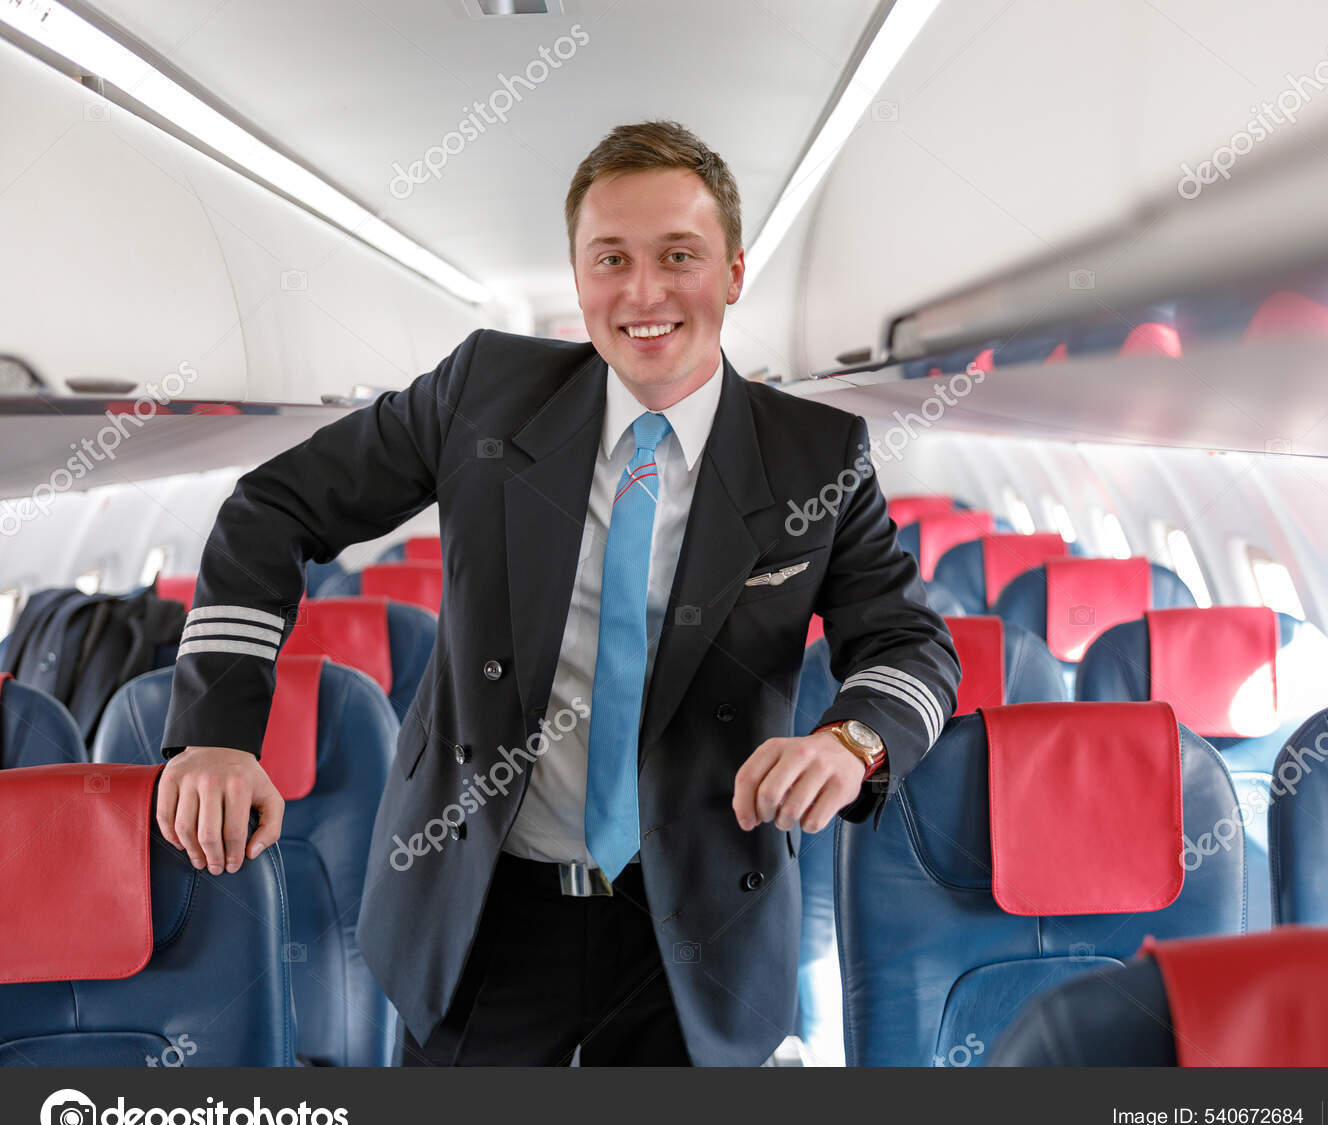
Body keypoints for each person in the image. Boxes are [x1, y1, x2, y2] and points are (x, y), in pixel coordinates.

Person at [154, 120, 960, 1066]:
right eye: (610, 258)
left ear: (734, 273)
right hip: (481, 904)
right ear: (577, 276)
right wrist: (217, 729)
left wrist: (850, 740)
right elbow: (271, 507)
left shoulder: (813, 456)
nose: (644, 292)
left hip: (696, 917)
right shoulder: (485, 392)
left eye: (679, 256)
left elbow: (910, 644)